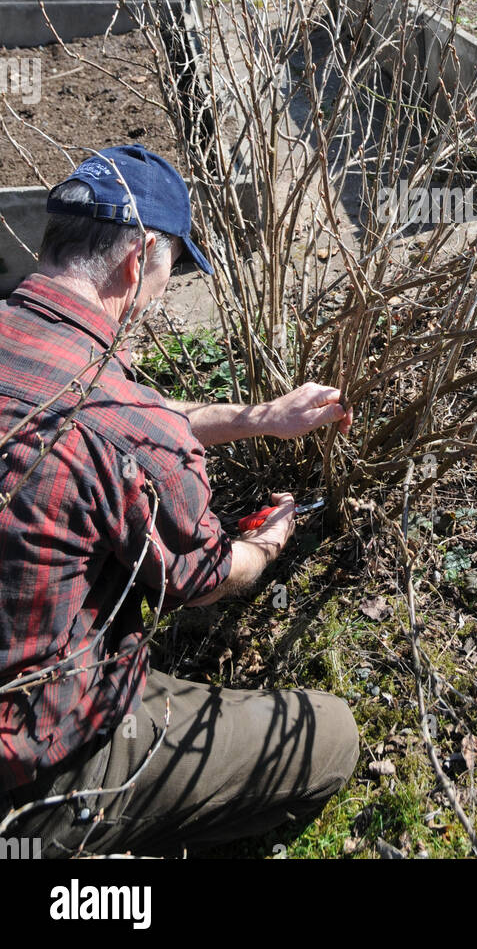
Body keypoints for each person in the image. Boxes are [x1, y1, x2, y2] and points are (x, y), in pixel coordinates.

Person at [0, 144, 358, 857]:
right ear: (140, 262)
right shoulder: (122, 424)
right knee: (332, 736)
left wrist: (254, 418)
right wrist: (263, 546)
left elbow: (111, 421)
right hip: (28, 760)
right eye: (170, 270)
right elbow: (203, 579)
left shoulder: (44, 356)